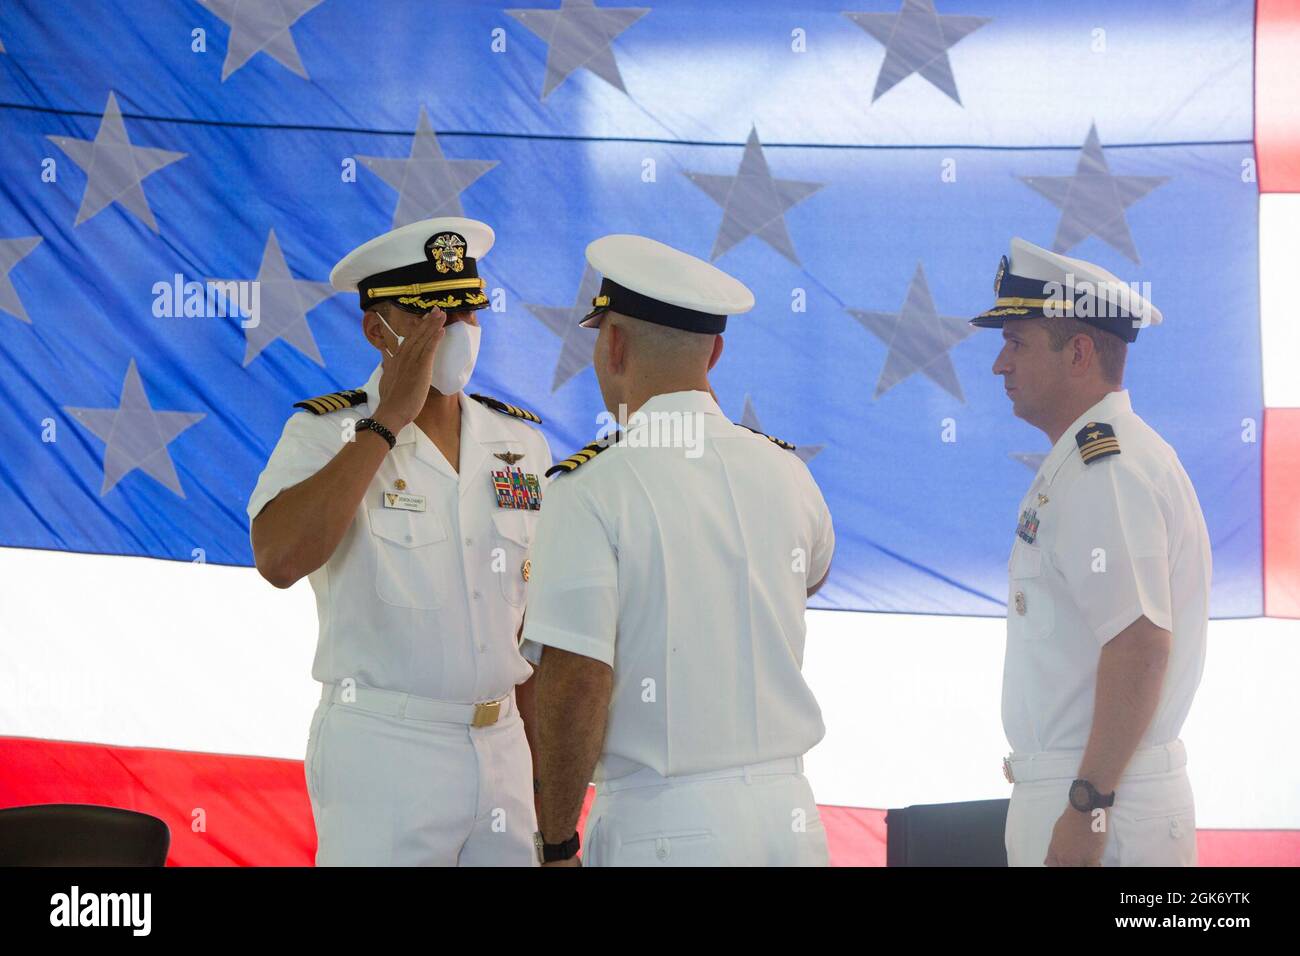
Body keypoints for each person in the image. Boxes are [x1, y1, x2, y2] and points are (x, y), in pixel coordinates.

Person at [522, 234, 834, 867]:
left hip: (666, 828)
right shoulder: (787, 471)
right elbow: (812, 576)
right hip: (791, 818)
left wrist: (555, 841)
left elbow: (578, 681)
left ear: (612, 345)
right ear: (714, 352)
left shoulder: (591, 488)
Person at [247, 217, 551, 865]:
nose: (456, 330)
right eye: (430, 315)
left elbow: (534, 626)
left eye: (468, 311)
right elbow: (278, 559)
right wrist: (387, 423)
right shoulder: (325, 433)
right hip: (385, 747)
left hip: (503, 744)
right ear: (376, 330)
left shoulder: (518, 442)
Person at [970, 237, 1211, 866]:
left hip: (1104, 809)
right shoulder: (1094, 459)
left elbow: (1140, 645)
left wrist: (1088, 807)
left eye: (1016, 343)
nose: (1000, 364)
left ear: (1078, 352)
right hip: (1094, 795)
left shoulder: (1106, 469)